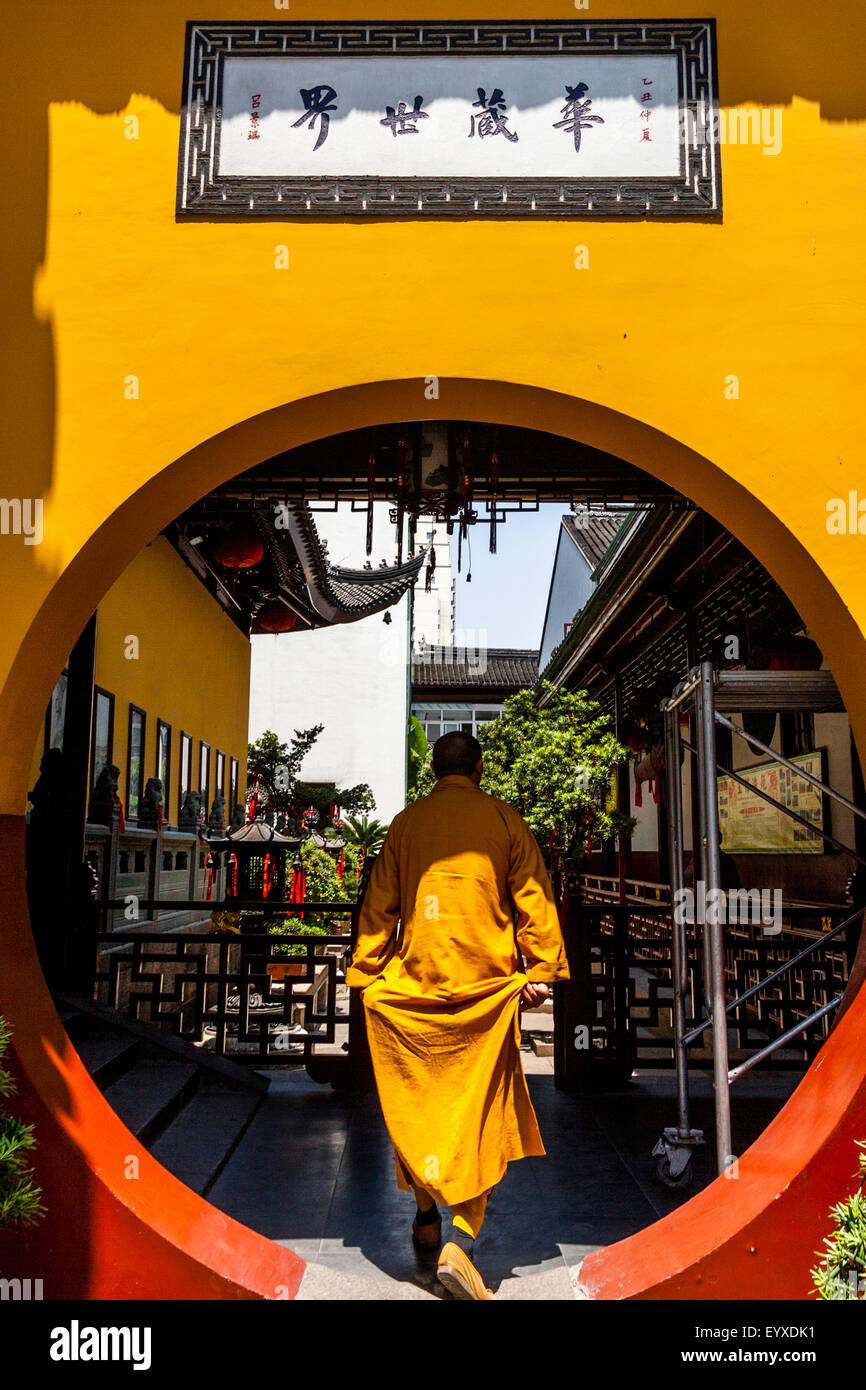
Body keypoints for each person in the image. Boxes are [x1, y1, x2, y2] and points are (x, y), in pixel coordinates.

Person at [345, 729, 570, 1300]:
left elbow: (380, 904)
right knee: (482, 1117)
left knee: (414, 1105)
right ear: (477, 767)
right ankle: (461, 1241)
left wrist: (366, 973)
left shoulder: (406, 824)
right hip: (485, 999)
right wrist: (541, 970)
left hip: (413, 994)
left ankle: (425, 1216)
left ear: (435, 771)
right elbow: (534, 898)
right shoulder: (504, 820)